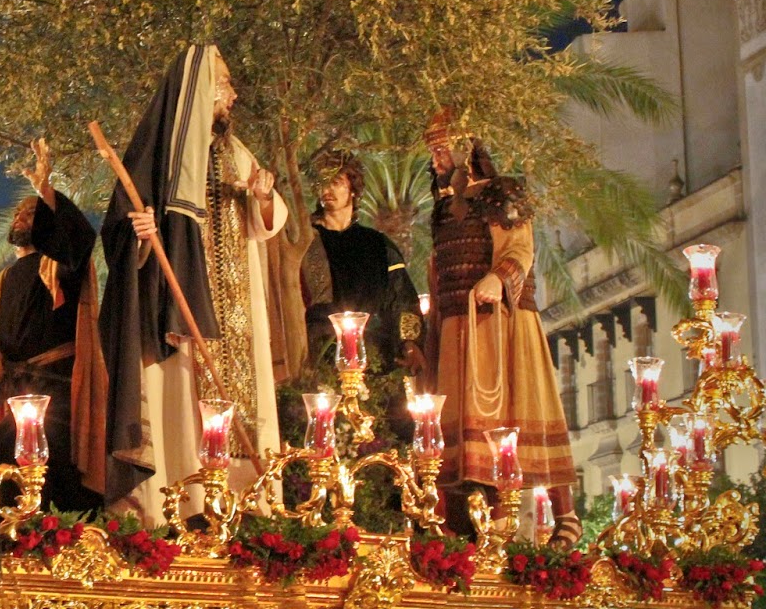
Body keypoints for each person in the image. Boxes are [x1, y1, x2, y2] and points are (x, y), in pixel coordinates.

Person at [98, 45, 288, 524]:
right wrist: (140, 234)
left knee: (243, 405)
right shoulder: (159, 157)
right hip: (176, 314)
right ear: (200, 91)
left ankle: (247, 506)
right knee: (179, 409)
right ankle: (181, 507)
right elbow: (121, 230)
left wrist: (264, 198)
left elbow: (268, 223)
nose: (233, 95)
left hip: (237, 314)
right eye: (224, 84)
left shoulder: (237, 155)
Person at [423, 109, 578, 547]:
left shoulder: (502, 192)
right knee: (466, 426)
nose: (437, 156)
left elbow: (520, 249)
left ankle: (566, 516)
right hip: (457, 327)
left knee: (524, 409)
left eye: (442, 145)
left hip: (503, 323)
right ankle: (482, 523)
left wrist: (498, 277)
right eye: (432, 149)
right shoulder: (441, 209)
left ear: (465, 145)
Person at [0, 139, 107, 526]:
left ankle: (54, 543)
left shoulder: (58, 267)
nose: (20, 217)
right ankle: (3, 540)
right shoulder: (1, 282)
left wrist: (46, 191)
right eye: (18, 213)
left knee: (49, 471)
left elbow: (78, 243)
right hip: (16, 395)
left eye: (31, 213)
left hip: (58, 395)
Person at [297, 150, 425, 422]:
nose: (327, 189)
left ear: (353, 189)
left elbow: (401, 296)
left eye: (336, 181)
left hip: (375, 356)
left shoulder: (377, 244)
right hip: (319, 353)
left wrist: (410, 343)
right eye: (322, 182)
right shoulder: (304, 243)